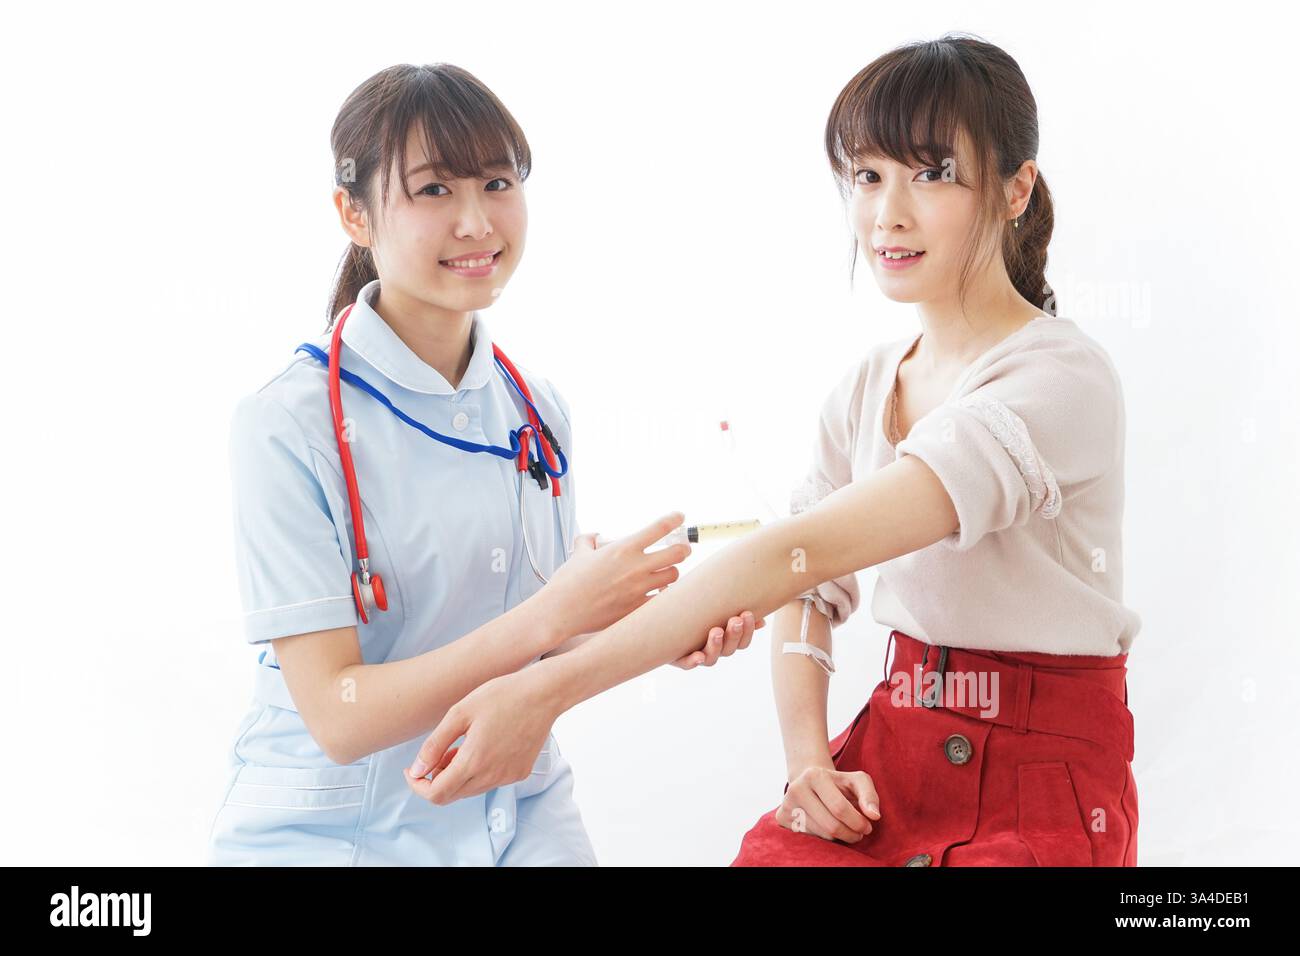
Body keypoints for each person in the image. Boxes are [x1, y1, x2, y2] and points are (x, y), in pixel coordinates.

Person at [403, 35, 1143, 868]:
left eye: (932, 174)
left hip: (1040, 775)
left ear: (1017, 188)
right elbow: (809, 588)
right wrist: (809, 761)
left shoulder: (1058, 378)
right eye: (867, 176)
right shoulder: (867, 388)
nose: (886, 213)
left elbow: (798, 552)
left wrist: (544, 691)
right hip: (895, 745)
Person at [207, 63, 758, 866]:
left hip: (517, 807)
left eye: (498, 182)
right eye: (434, 191)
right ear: (352, 214)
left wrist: (652, 628)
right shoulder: (286, 425)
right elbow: (341, 714)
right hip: (334, 832)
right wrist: (558, 612)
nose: (476, 222)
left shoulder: (537, 409)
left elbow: (529, 643)